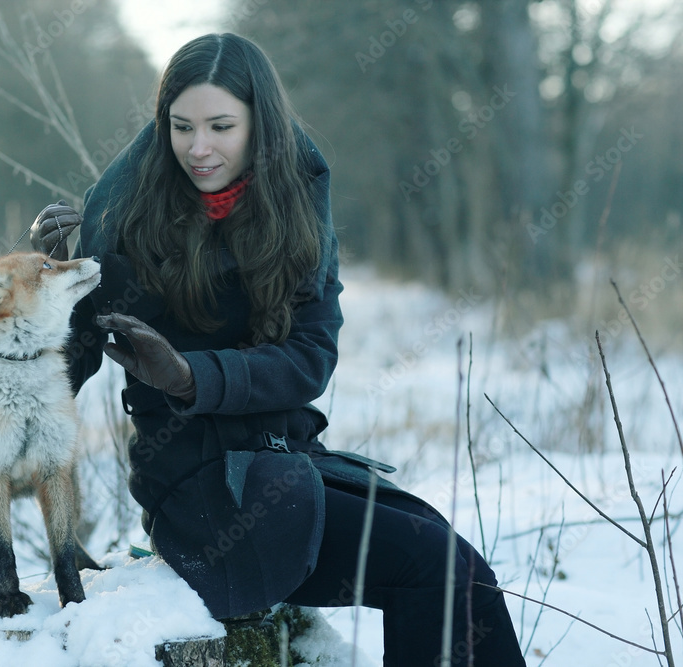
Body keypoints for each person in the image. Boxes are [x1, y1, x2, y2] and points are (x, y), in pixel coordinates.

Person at [31, 32, 526, 666]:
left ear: (259, 124)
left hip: (289, 461)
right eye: (181, 127)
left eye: (220, 126)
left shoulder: (296, 200)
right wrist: (48, 291)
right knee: (436, 568)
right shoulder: (130, 211)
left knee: (461, 569)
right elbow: (61, 375)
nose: (198, 147)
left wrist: (190, 374)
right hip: (201, 493)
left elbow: (309, 359)